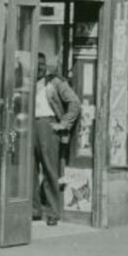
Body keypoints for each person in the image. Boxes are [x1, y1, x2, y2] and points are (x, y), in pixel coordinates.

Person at [33, 53, 81, 226]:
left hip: (47, 125)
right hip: (28, 124)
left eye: (42, 64)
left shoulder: (55, 82)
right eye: (36, 64)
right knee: (29, 170)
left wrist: (64, 123)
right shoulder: (24, 82)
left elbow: (74, 102)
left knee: (49, 169)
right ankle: (34, 209)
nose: (39, 67)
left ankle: (53, 212)